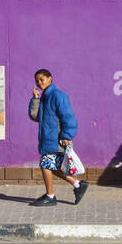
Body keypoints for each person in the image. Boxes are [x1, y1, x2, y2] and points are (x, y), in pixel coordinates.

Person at [27, 69, 87, 206]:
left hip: (57, 139)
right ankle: (78, 184)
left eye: (42, 79)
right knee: (52, 166)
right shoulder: (44, 98)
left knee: (45, 165)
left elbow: (69, 117)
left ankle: (50, 196)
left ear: (50, 79)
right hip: (47, 139)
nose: (39, 83)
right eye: (37, 81)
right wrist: (35, 99)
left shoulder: (58, 95)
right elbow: (36, 117)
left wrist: (67, 135)